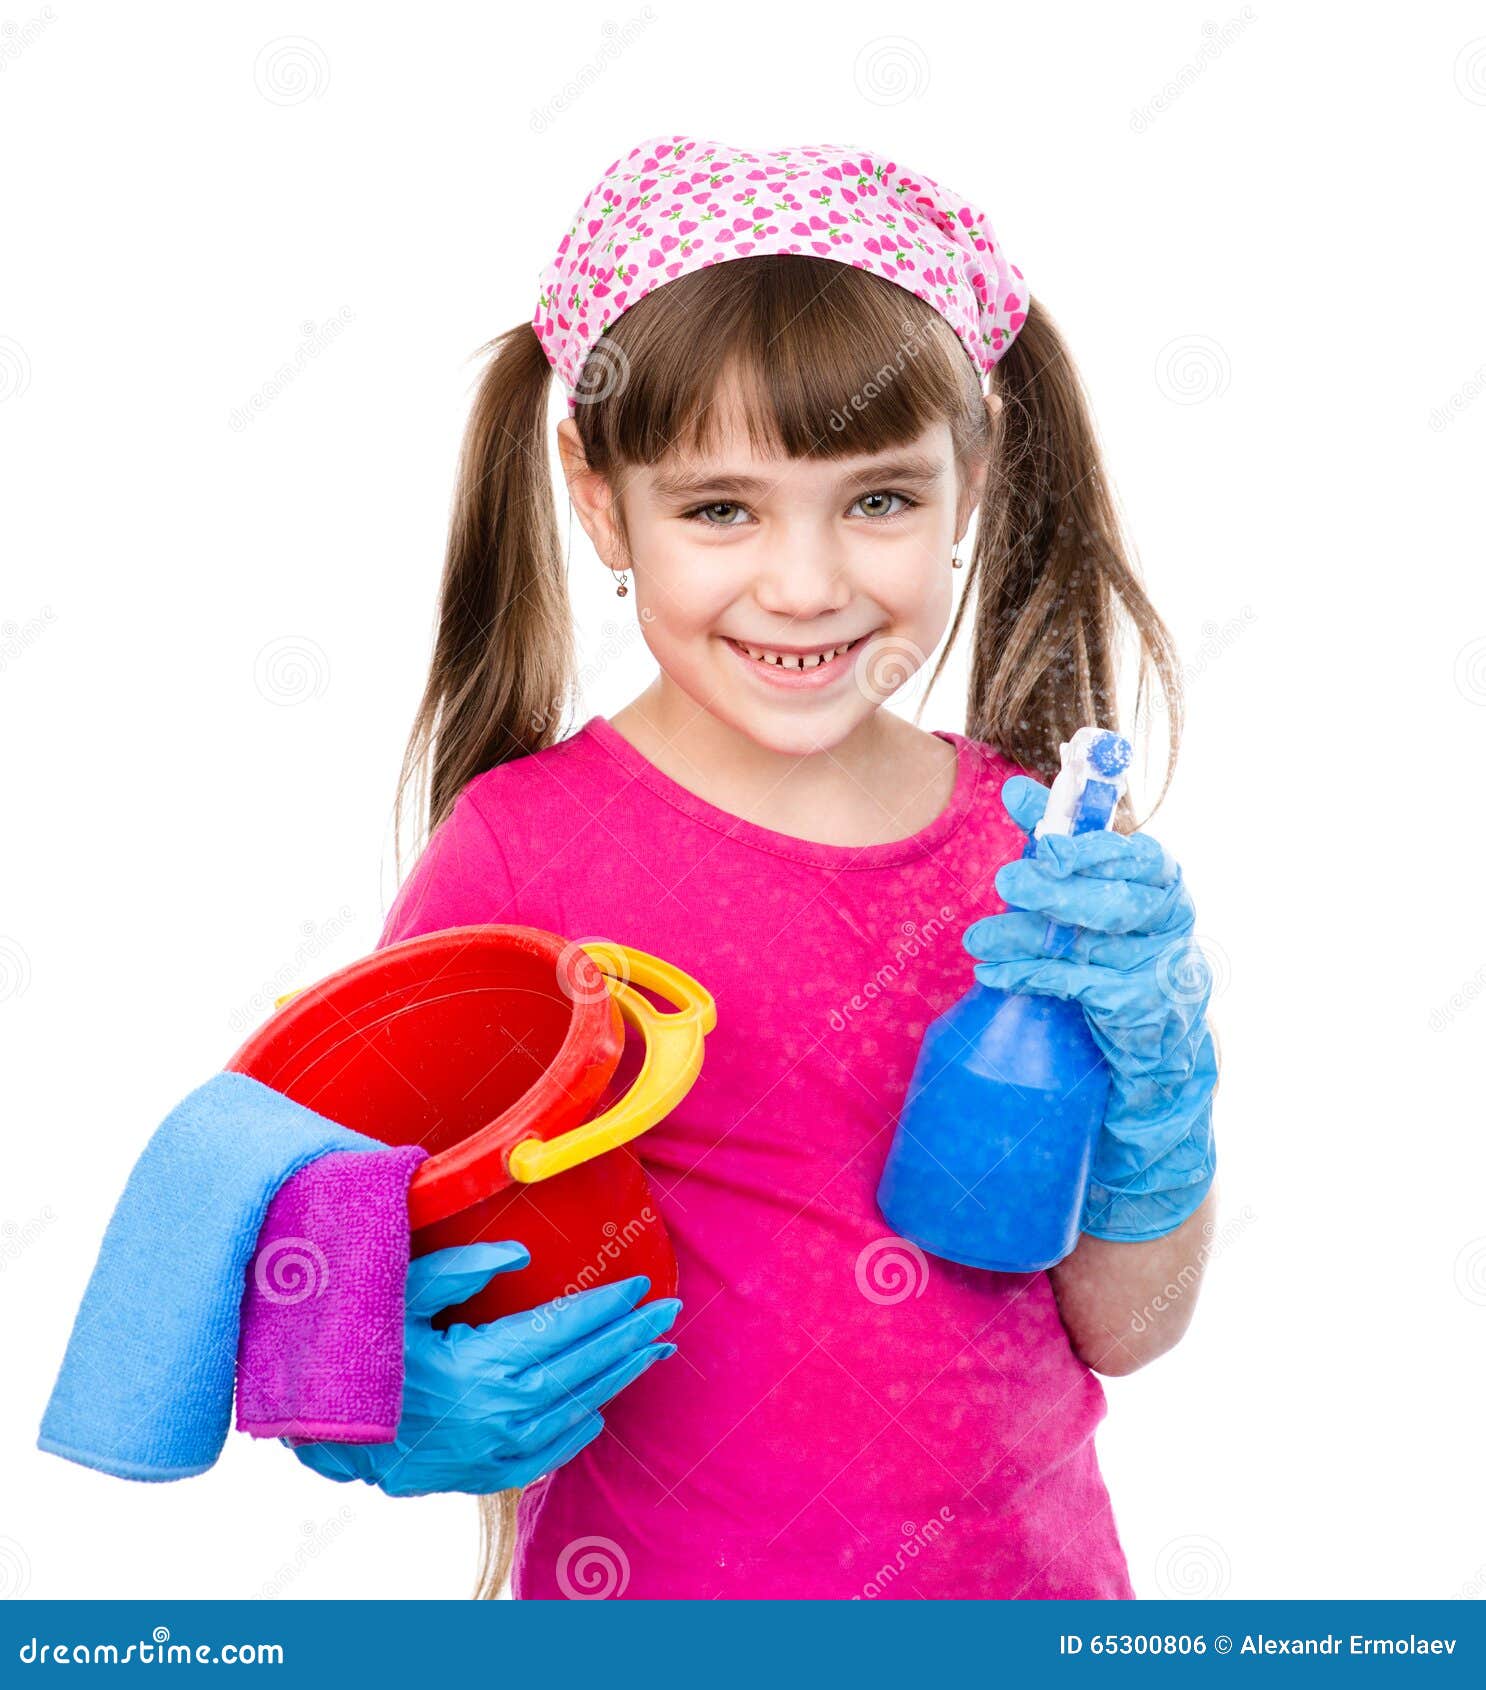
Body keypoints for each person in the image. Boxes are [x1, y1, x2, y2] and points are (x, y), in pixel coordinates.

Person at [289, 134, 1219, 1601]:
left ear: (969, 482)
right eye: (720, 508)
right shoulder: (524, 853)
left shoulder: (1036, 855)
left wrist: (1161, 1100)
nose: (803, 583)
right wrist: (357, 1382)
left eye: (877, 500)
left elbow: (1122, 1325)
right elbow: (299, 1212)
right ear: (600, 498)